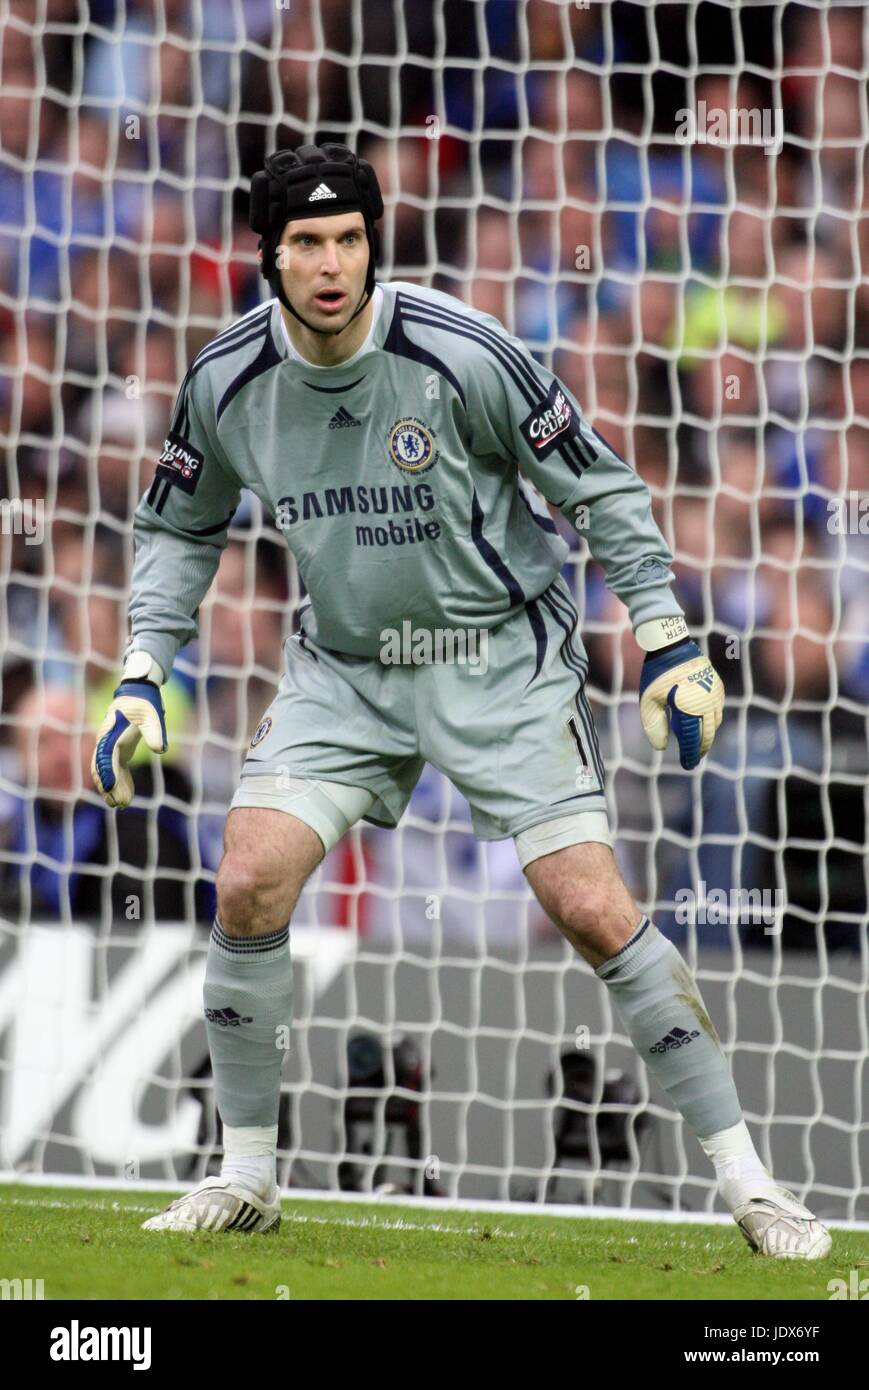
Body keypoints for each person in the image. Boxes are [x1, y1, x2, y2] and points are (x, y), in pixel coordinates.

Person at [91, 143, 829, 1257]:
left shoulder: (461, 348)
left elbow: (599, 483)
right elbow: (179, 526)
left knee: (589, 906)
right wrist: (145, 666)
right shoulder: (225, 379)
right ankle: (246, 1172)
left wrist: (666, 637)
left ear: (372, 245)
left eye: (349, 240)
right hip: (344, 668)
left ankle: (749, 1181)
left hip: (497, 658)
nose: (332, 263)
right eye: (307, 244)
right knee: (245, 877)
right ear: (270, 260)